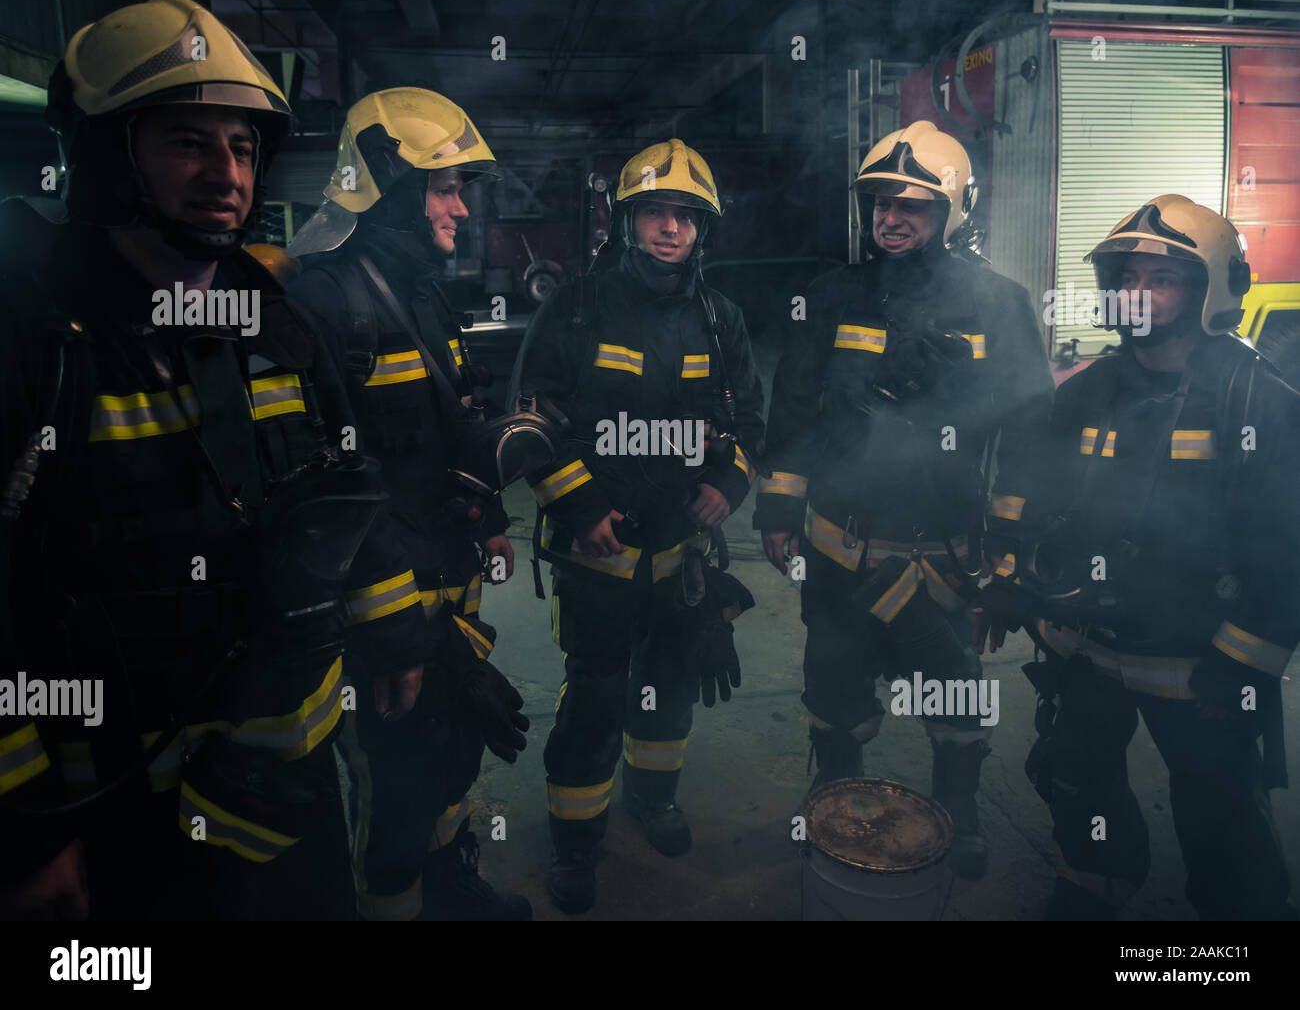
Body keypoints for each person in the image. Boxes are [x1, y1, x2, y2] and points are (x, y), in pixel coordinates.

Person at [0, 0, 429, 921]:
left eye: (240, 147)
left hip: (289, 789)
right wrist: (23, 828)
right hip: (119, 814)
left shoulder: (281, 324)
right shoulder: (34, 339)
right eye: (187, 143)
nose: (226, 174)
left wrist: (397, 634)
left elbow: (349, 488)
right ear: (108, 158)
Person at [983, 195, 1300, 920]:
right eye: (1126, 277)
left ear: (1212, 289)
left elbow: (1287, 547)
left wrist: (1244, 661)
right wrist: (1010, 578)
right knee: (1077, 783)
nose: (1137, 293)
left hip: (1199, 663)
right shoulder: (1087, 391)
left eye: (1162, 279)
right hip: (1084, 648)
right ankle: (1095, 878)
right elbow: (1037, 492)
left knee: (1221, 814)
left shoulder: (1259, 401)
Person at [755, 120, 1053, 879]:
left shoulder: (1000, 303)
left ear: (953, 211)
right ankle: (833, 798)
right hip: (838, 548)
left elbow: (1029, 431)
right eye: (881, 203)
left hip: (943, 552)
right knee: (834, 691)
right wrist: (779, 508)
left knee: (952, 699)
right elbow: (793, 406)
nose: (891, 218)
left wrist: (1010, 543)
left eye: (913, 205)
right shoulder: (832, 294)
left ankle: (961, 812)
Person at [286, 87, 533, 920]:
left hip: (448, 586)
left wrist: (490, 518)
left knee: (450, 757)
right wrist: (401, 640)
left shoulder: (420, 293)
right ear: (387, 188)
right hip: (382, 617)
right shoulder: (322, 303)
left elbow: (446, 427)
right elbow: (330, 494)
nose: (461, 208)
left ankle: (451, 886)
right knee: (396, 789)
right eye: (444, 188)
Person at [512, 138, 764, 913]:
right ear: (627, 220)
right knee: (593, 698)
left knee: (668, 686)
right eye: (655, 211)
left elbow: (749, 420)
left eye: (686, 215)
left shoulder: (720, 319)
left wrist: (729, 481)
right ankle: (576, 840)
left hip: (680, 556)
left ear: (703, 228)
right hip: (598, 556)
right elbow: (529, 418)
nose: (670, 227)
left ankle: (654, 798)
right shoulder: (577, 306)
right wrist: (579, 505)